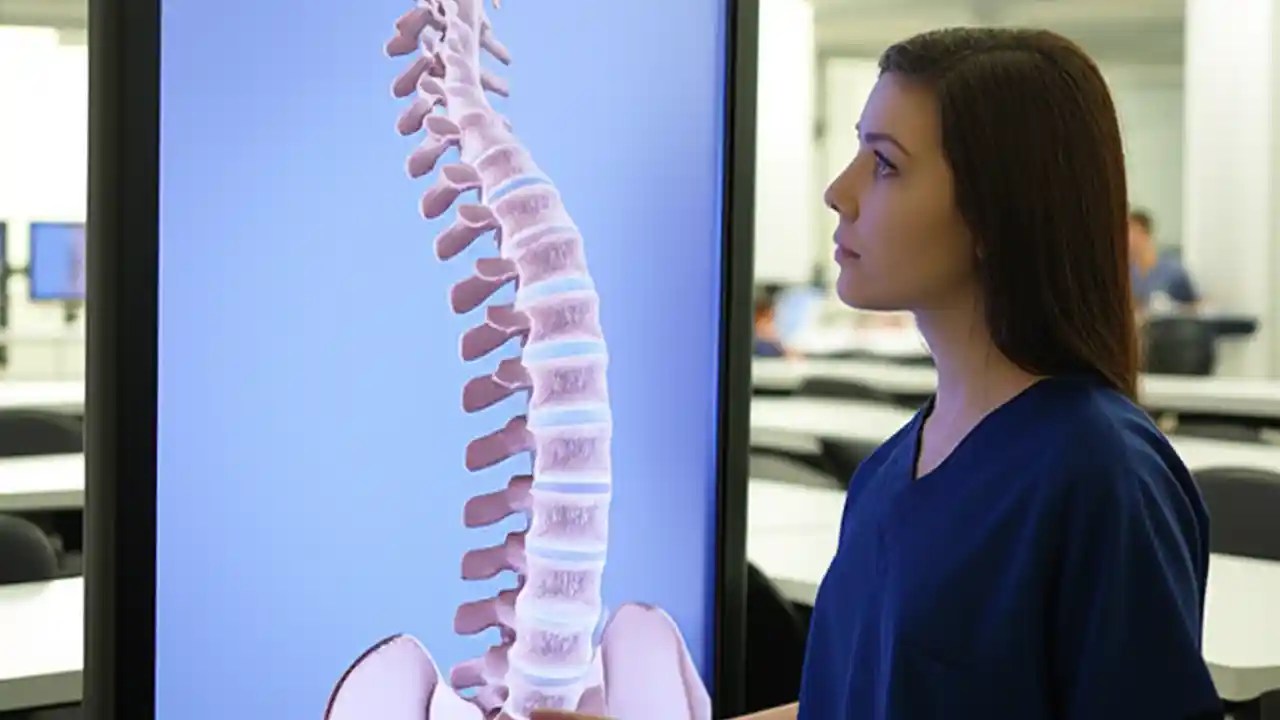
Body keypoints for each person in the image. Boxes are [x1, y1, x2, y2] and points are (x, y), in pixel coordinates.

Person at [533, 26, 1223, 720]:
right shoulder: (893, 471)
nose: (840, 191)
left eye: (885, 164)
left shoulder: (1099, 475)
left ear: (994, 212)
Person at [1128, 208, 1200, 313]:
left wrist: (1170, 309)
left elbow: (1195, 308)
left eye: (1130, 232)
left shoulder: (1173, 273)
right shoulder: (1128, 274)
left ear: (1143, 233)